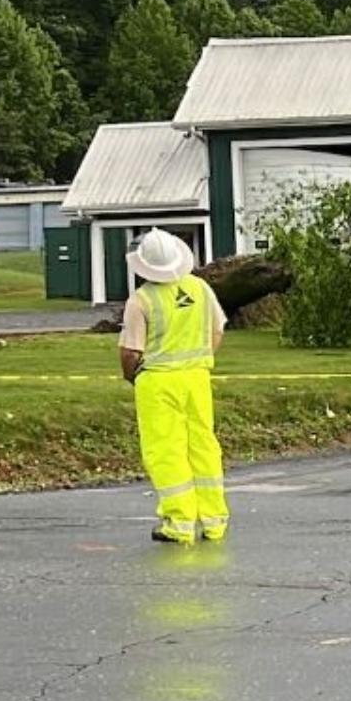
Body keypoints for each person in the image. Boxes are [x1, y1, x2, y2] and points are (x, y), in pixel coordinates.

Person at [118, 229, 229, 545]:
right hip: (196, 378)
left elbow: (130, 352)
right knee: (203, 446)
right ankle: (214, 520)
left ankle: (179, 523)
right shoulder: (200, 287)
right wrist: (198, 358)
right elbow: (217, 331)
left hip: (158, 381)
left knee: (167, 450)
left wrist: (132, 375)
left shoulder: (141, 300)